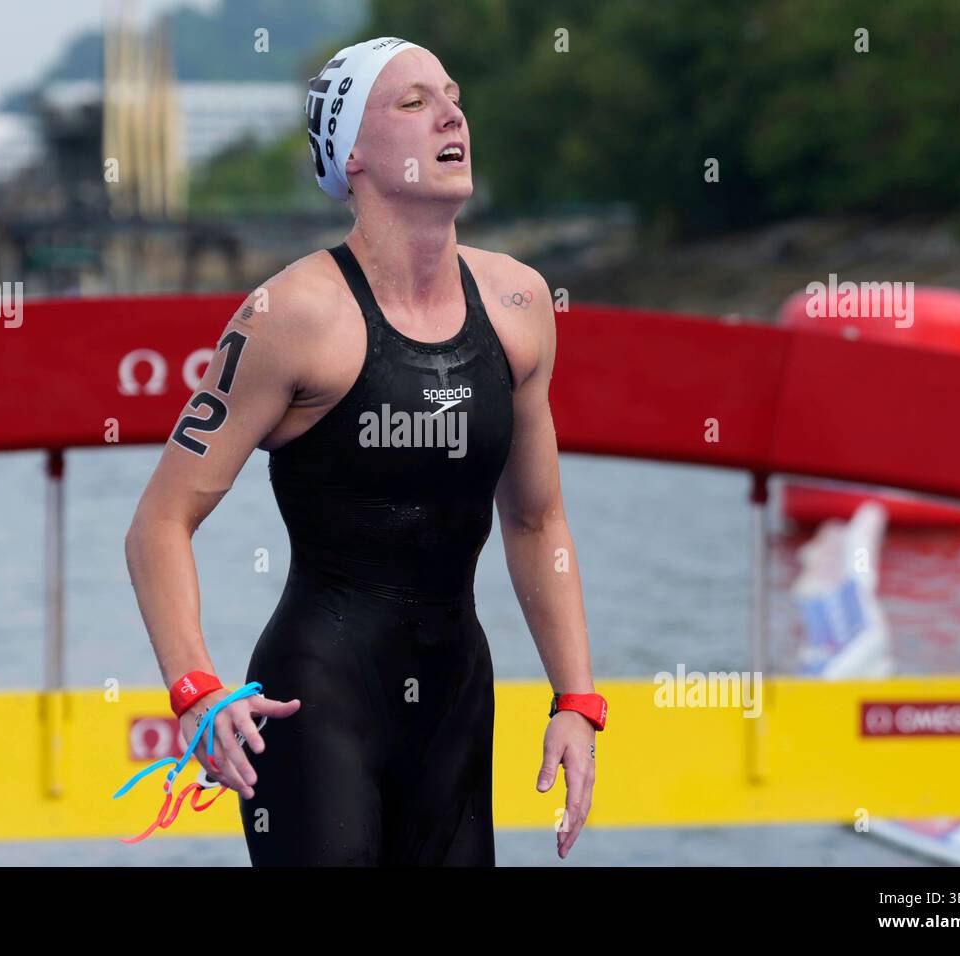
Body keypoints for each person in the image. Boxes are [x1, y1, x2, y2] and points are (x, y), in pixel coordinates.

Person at [125, 36, 605, 866]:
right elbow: (161, 522)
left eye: (451, 95)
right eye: (413, 103)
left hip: (457, 695)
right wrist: (195, 691)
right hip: (316, 702)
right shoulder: (291, 316)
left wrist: (576, 697)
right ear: (351, 156)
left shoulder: (521, 302)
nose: (452, 114)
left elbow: (536, 519)